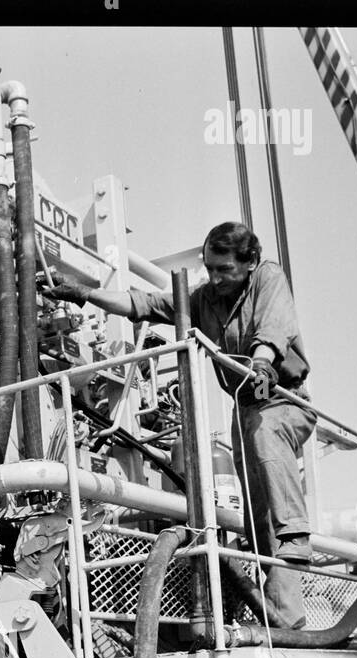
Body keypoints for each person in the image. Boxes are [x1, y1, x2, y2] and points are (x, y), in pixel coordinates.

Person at [42, 222, 316, 628]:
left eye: (225, 269)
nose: (216, 278)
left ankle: (292, 573)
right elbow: (143, 304)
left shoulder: (268, 277)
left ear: (250, 262)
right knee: (257, 515)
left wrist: (261, 362)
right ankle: (277, 607)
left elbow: (271, 329)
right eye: (210, 268)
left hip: (282, 401)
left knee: (274, 482)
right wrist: (85, 294)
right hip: (245, 410)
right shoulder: (204, 298)